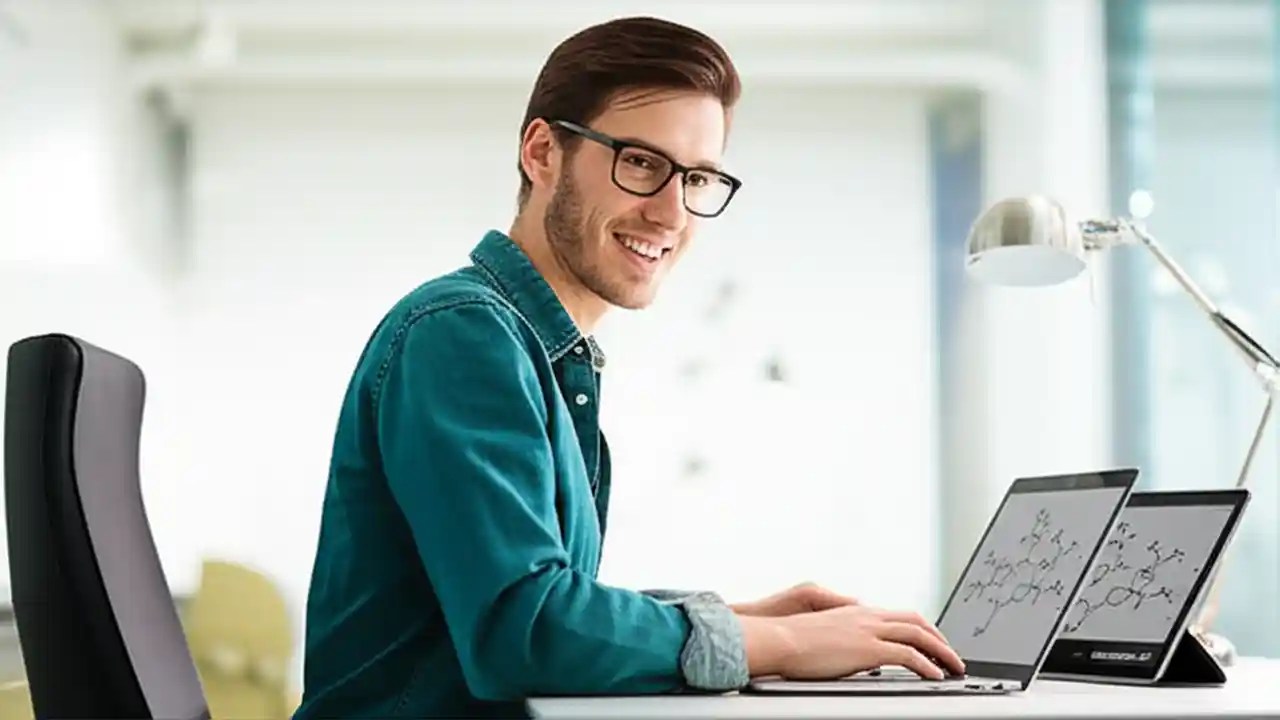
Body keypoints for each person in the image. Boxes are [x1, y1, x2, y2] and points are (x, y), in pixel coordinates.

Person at [293, 15, 963, 719]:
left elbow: (531, 601)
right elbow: (526, 633)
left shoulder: (532, 353)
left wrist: (750, 622)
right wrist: (781, 643)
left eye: (698, 177)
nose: (671, 213)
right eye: (641, 162)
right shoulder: (463, 336)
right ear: (543, 152)